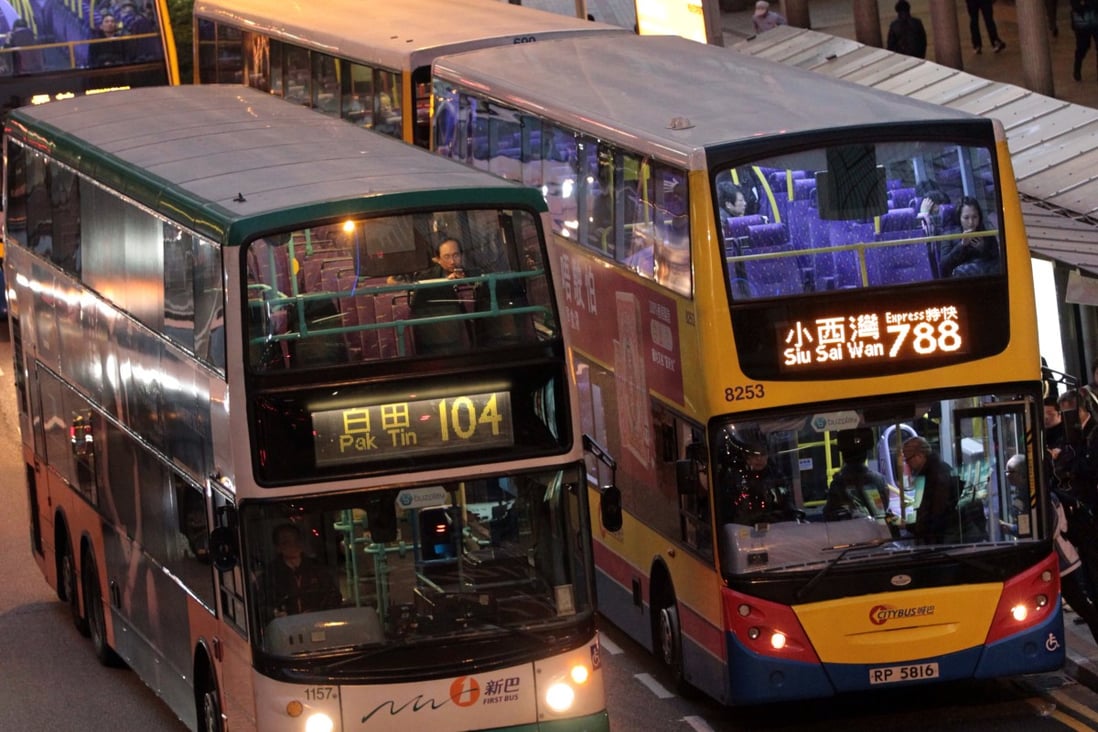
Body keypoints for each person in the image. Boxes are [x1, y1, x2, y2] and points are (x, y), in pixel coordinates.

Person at [390, 237, 475, 354]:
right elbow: (392, 281)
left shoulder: (472, 273)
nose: (452, 261)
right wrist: (445, 282)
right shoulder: (427, 276)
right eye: (447, 257)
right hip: (436, 327)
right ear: (438, 259)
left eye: (456, 255)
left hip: (468, 324)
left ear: (462, 255)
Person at [718, 430, 799, 526]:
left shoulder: (777, 476)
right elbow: (729, 510)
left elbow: (786, 502)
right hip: (744, 529)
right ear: (746, 457)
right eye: (754, 455)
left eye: (763, 454)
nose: (759, 459)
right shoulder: (735, 478)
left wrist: (788, 514)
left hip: (776, 528)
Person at [265, 523, 341, 617]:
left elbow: (334, 596)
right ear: (278, 547)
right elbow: (263, 604)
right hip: (286, 626)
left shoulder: (316, 568)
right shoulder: (271, 574)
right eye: (286, 542)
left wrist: (320, 613)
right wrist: (275, 613)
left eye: (296, 540)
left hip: (317, 622)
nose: (293, 545)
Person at [823, 428, 896, 524]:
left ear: (844, 456)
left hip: (850, 534)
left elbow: (829, 514)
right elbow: (882, 512)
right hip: (877, 532)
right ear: (865, 455)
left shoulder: (838, 483)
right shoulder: (878, 479)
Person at [903, 436, 958, 543]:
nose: (908, 464)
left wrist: (910, 526)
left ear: (919, 456)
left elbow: (935, 514)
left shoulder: (934, 477)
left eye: (908, 459)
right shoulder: (939, 469)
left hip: (944, 540)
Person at [939, 196, 1000, 277]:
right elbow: (944, 265)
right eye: (966, 218)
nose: (971, 222)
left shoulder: (987, 234)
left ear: (979, 217)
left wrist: (982, 248)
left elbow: (997, 261)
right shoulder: (949, 236)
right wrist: (961, 245)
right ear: (959, 218)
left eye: (975, 217)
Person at [1071, 0, 1098, 80]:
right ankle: (1077, 69)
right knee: (1082, 47)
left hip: (1094, 20)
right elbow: (1076, 6)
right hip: (1082, 23)